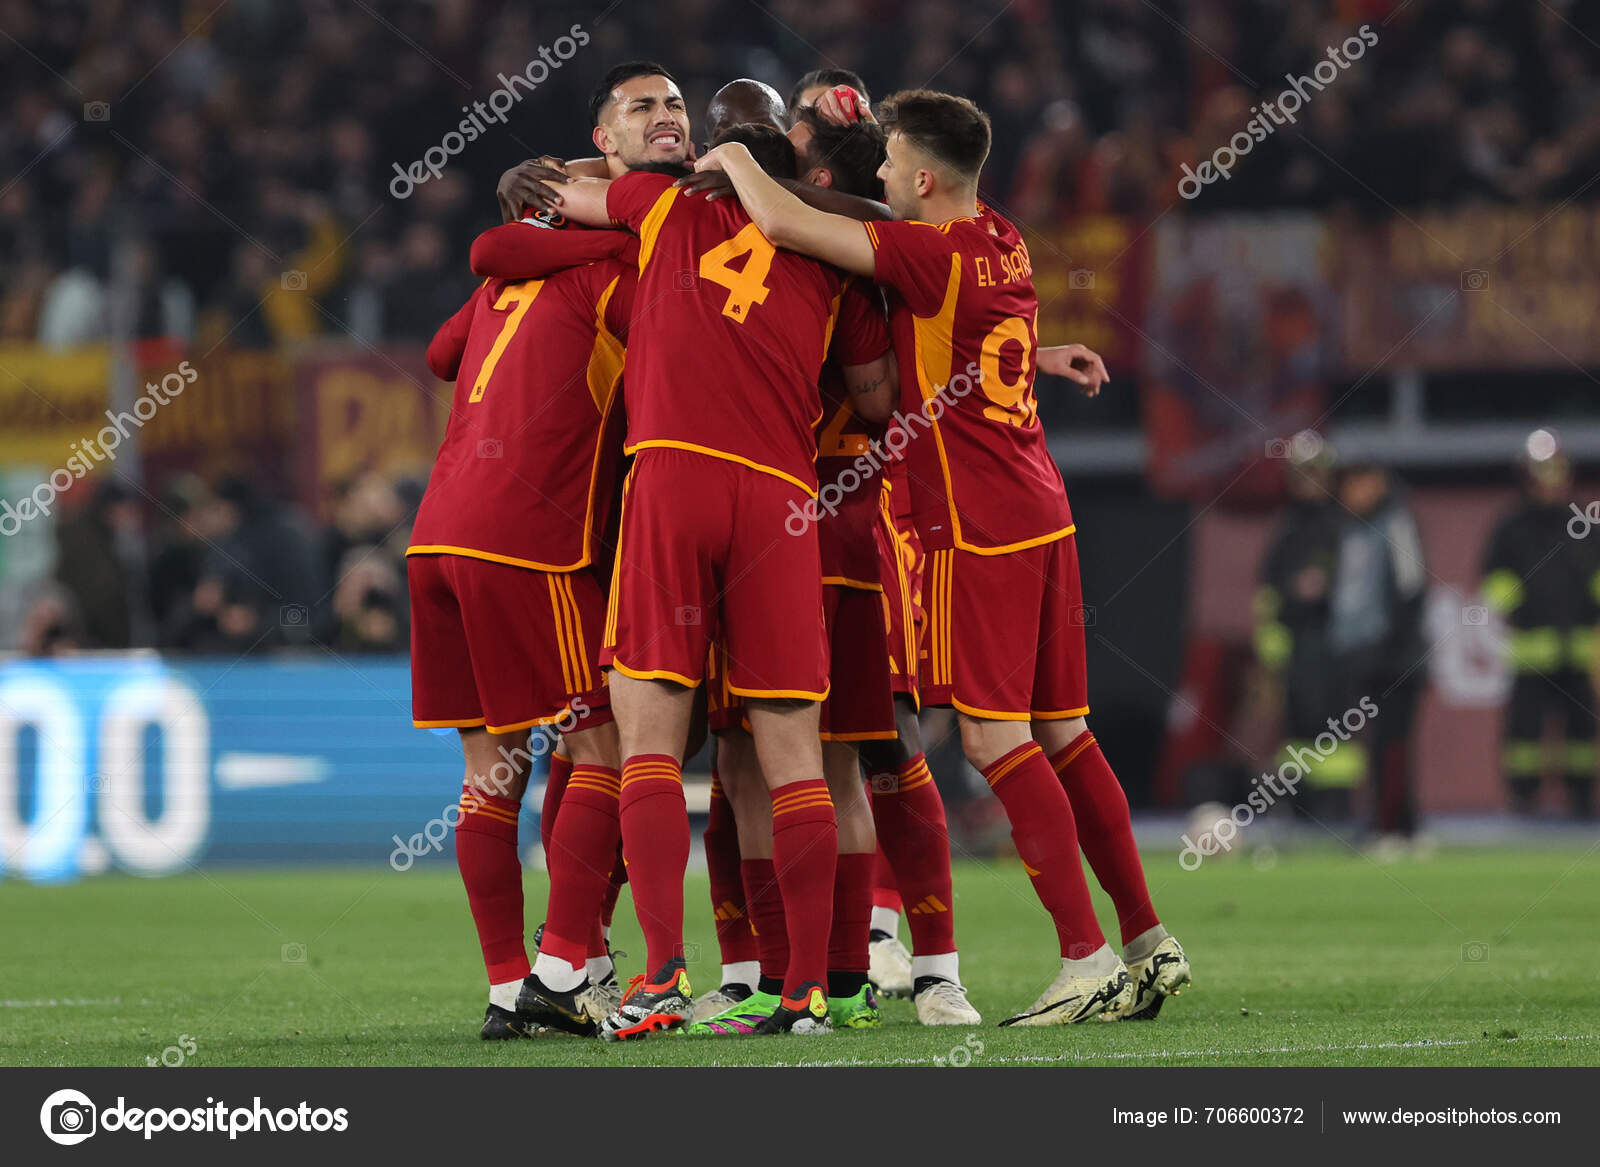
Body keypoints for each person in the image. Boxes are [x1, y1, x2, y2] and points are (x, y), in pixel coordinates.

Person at [696, 88, 1188, 1024]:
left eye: (891, 162)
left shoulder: (926, 256)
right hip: (1043, 504)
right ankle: (1146, 939)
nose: (880, 174)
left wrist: (737, 160)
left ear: (922, 178)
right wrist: (1041, 353)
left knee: (991, 738)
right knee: (1066, 735)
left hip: (973, 525)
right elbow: (968, 330)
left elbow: (784, 217)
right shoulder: (1001, 234)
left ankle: (1084, 960)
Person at [526, 63, 897, 1039]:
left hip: (675, 474)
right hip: (781, 498)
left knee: (650, 737)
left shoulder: (662, 204)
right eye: (652, 108)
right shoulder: (833, 243)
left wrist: (547, 176)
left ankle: (660, 976)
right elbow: (874, 398)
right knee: (793, 757)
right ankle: (808, 991)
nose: (671, 122)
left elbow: (550, 195)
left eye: (681, 113)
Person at [409, 194, 638, 1040]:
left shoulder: (506, 281)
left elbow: (439, 353)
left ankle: (509, 989)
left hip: (434, 539)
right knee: (608, 747)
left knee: (488, 776)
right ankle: (564, 968)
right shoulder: (611, 276)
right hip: (525, 541)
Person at [1481, 429, 1600, 819]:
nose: (1549, 480)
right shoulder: (1511, 527)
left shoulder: (1586, 524)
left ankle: (1581, 799)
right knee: (1525, 733)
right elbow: (1495, 581)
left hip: (1578, 649)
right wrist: (1520, 610)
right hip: (1530, 651)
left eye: (1555, 470)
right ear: (1527, 475)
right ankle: (1524, 799)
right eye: (1541, 471)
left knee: (1581, 732)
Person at [1328, 461, 1428, 849]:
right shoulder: (1349, 529)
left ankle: (1396, 827)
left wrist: (1393, 650)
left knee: (1393, 744)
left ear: (1378, 483)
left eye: (1359, 482)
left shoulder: (1396, 522)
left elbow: (1411, 588)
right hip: (1363, 657)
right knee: (1378, 745)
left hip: (1395, 660)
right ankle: (1390, 823)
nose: (1352, 492)